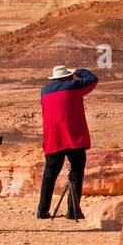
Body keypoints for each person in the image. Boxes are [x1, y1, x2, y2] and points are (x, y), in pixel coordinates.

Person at [37, 64, 98, 220]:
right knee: (76, 172)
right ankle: (73, 210)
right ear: (67, 77)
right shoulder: (73, 86)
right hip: (73, 137)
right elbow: (92, 79)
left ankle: (42, 210)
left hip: (53, 138)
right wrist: (78, 71)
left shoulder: (44, 91)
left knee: (49, 175)